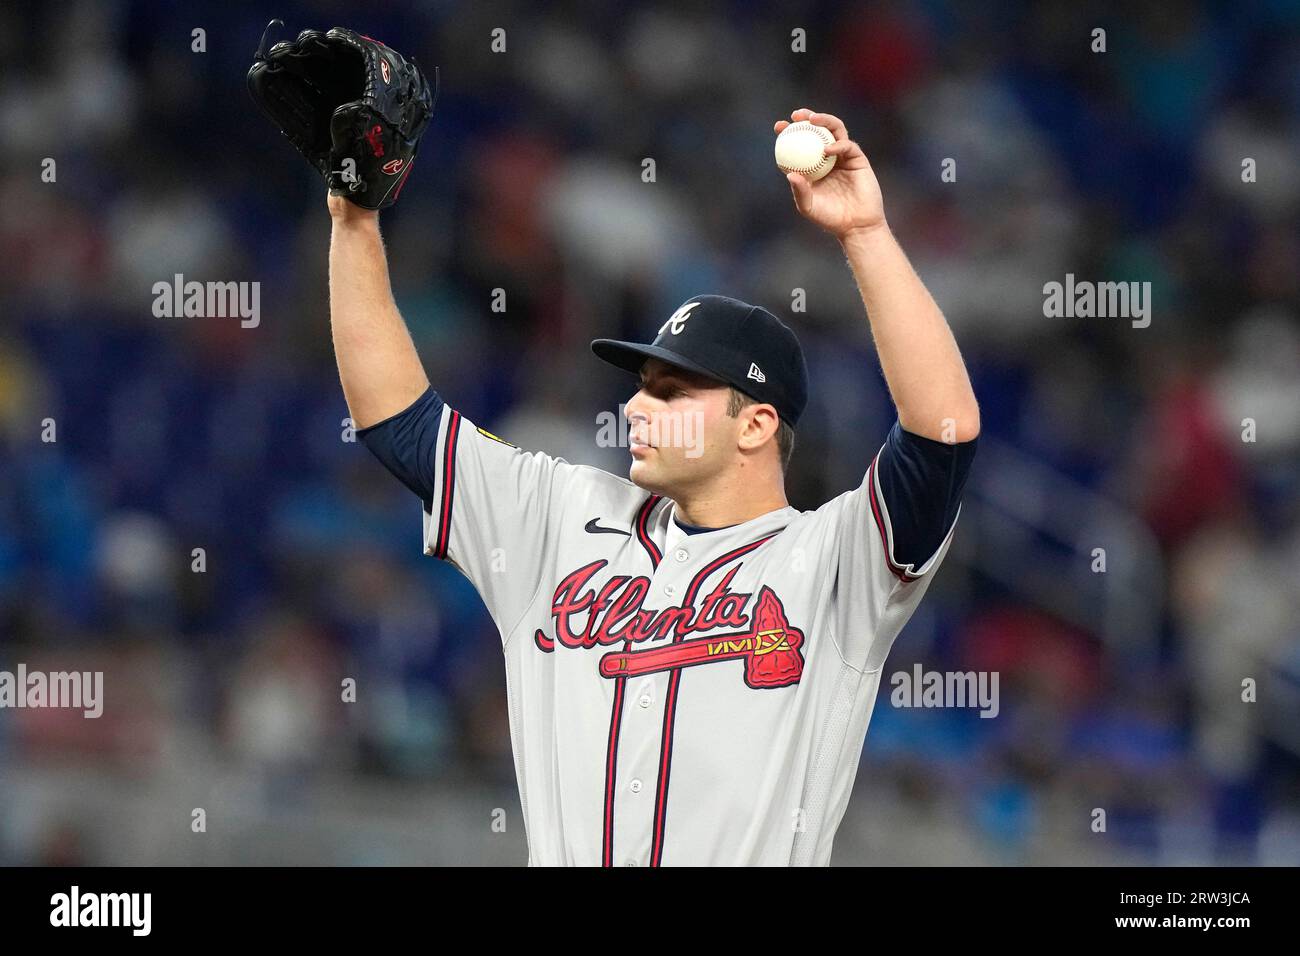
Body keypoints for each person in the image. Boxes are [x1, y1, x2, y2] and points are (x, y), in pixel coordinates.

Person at [331, 108, 980, 865]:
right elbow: (398, 423)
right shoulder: (561, 515)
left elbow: (942, 430)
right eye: (642, 385)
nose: (637, 407)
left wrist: (865, 236)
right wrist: (354, 216)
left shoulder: (838, 559)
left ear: (755, 425)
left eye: (673, 392)